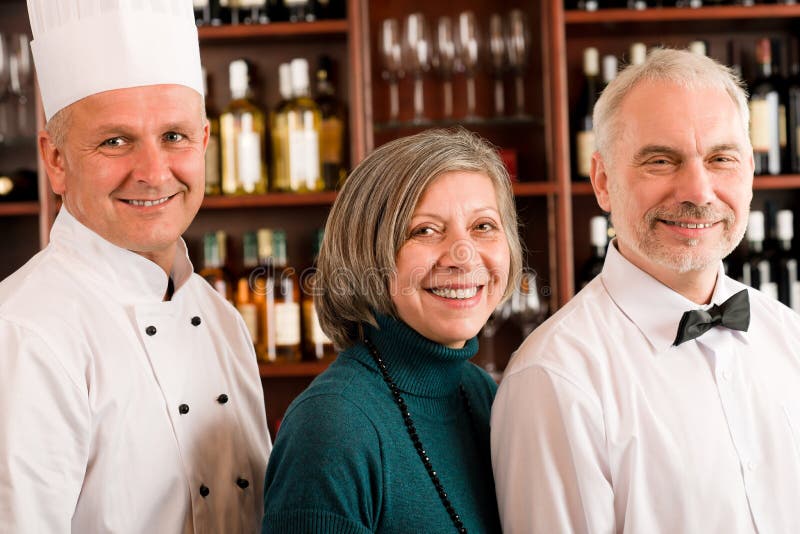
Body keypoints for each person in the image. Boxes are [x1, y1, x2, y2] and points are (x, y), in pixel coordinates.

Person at [491, 47, 800, 533]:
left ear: (750, 172)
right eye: (661, 160)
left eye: (721, 158)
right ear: (603, 181)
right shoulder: (555, 378)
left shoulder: (790, 335)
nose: (698, 192)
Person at [0, 2, 270, 531]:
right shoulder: (23, 334)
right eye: (115, 141)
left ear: (205, 143)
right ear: (56, 160)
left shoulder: (222, 320)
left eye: (174, 136)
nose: (152, 172)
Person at [262, 128, 522, 533]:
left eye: (483, 226)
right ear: (366, 253)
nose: (463, 254)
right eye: (425, 230)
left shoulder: (479, 392)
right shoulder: (331, 427)